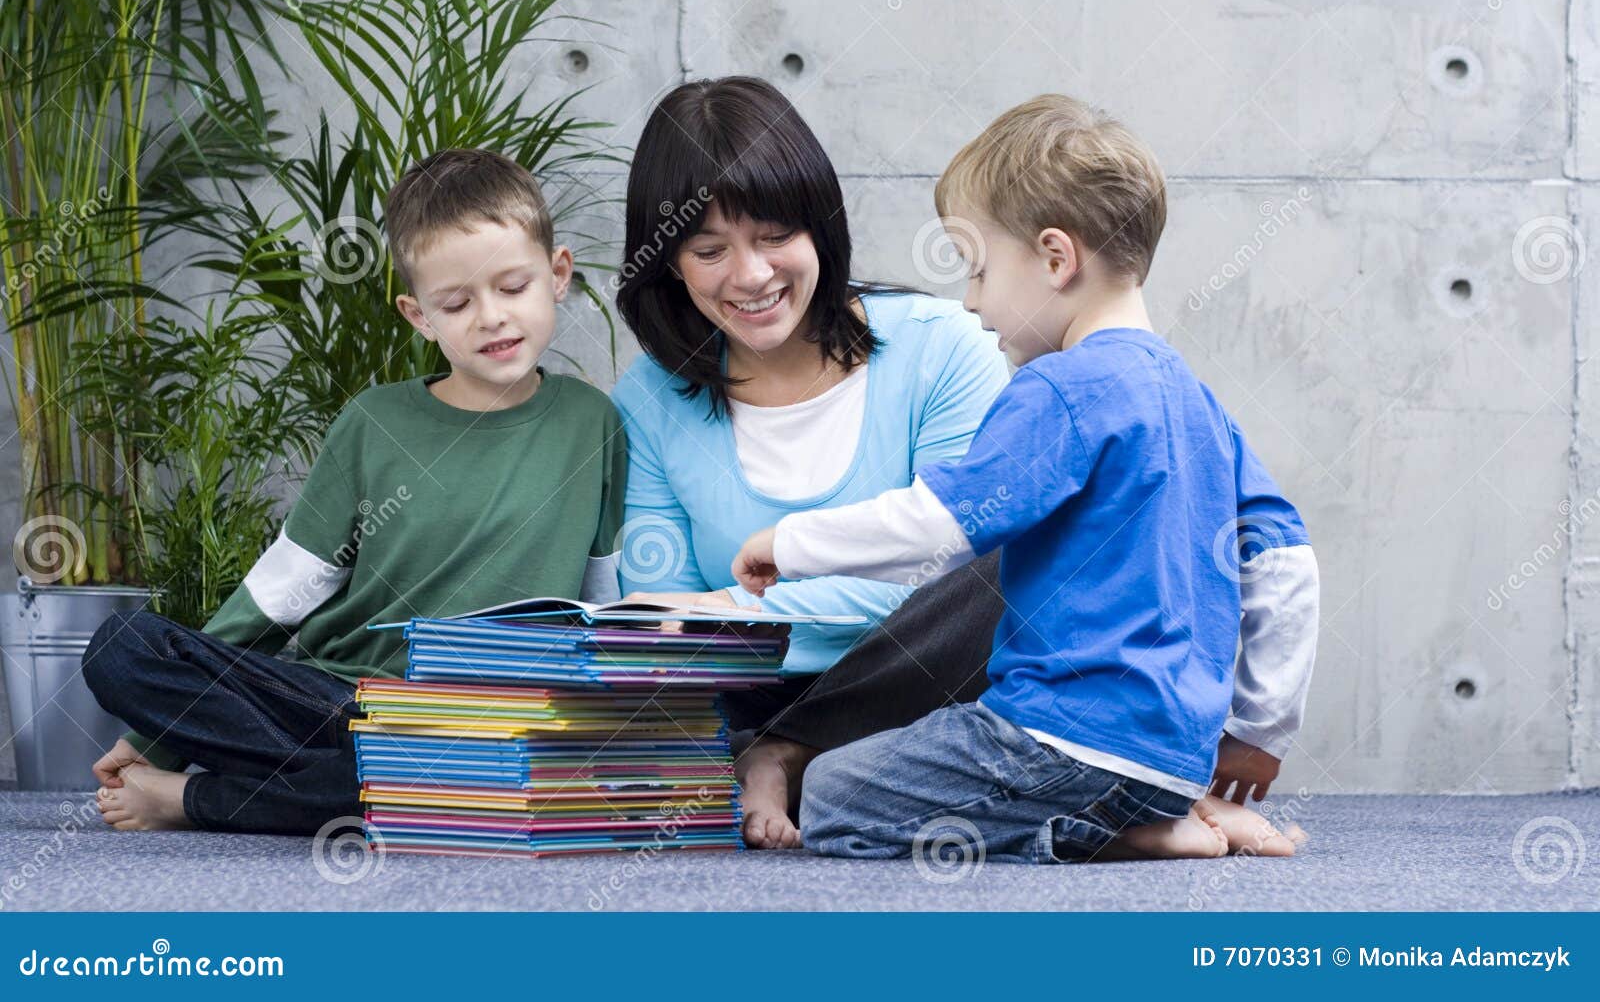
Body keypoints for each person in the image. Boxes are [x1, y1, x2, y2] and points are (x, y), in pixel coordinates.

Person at [732, 95, 1320, 862]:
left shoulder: (1060, 389)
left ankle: (1115, 836)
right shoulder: (1200, 405)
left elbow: (937, 525)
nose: (972, 303)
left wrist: (794, 540)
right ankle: (1157, 816)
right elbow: (1286, 563)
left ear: (1054, 257)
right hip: (1174, 759)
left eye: (978, 270)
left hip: (1054, 739)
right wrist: (1259, 729)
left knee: (838, 793)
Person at [83, 148, 628, 835]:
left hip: (476, 730)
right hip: (335, 699)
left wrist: (615, 730)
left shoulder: (593, 424)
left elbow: (604, 599)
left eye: (513, 286)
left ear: (557, 276)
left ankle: (192, 800)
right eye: (456, 302)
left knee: (422, 773)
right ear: (418, 314)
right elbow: (282, 591)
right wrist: (157, 732)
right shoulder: (375, 421)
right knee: (121, 644)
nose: (490, 316)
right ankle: (334, 780)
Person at [611, 76, 1012, 848]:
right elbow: (664, 612)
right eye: (708, 250)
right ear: (670, 265)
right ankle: (783, 752)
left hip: (924, 689)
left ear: (818, 225)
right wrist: (718, 619)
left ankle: (792, 753)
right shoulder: (650, 399)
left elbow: (945, 573)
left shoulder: (944, 349)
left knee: (999, 573)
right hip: (738, 697)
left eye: (774, 235)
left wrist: (736, 608)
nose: (752, 275)